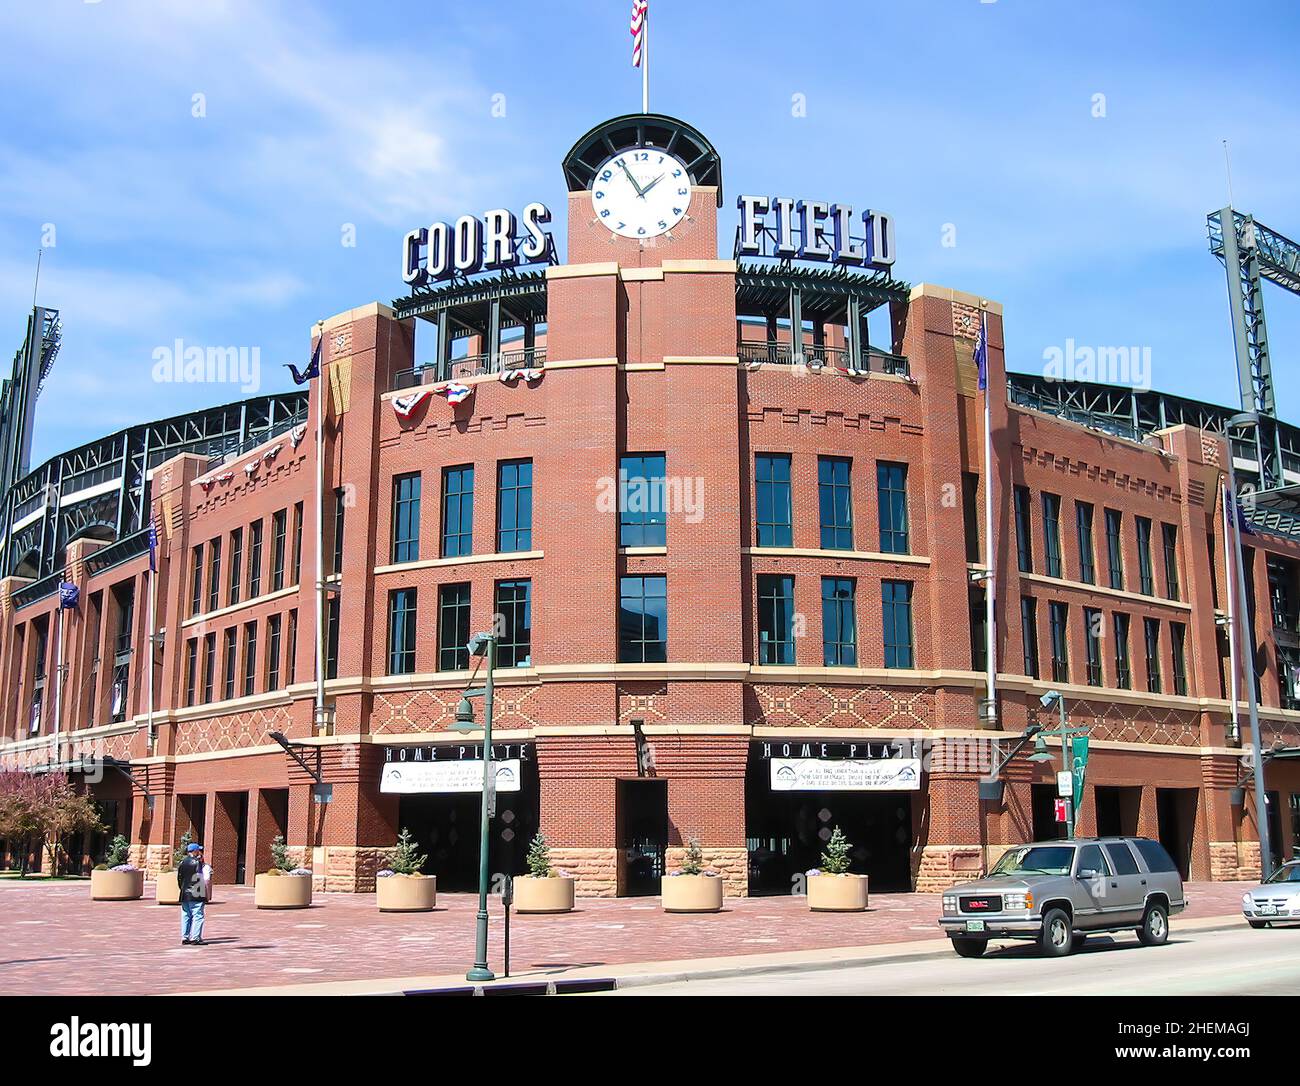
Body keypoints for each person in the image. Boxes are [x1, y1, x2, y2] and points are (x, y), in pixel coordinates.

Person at [177, 842, 207, 946]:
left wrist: (182, 888)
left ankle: (185, 937)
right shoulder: (198, 862)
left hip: (185, 893)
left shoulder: (182, 862)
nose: (200, 852)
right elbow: (200, 877)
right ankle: (195, 937)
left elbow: (179, 878)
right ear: (194, 851)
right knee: (198, 915)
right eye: (198, 850)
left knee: (186, 915)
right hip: (196, 892)